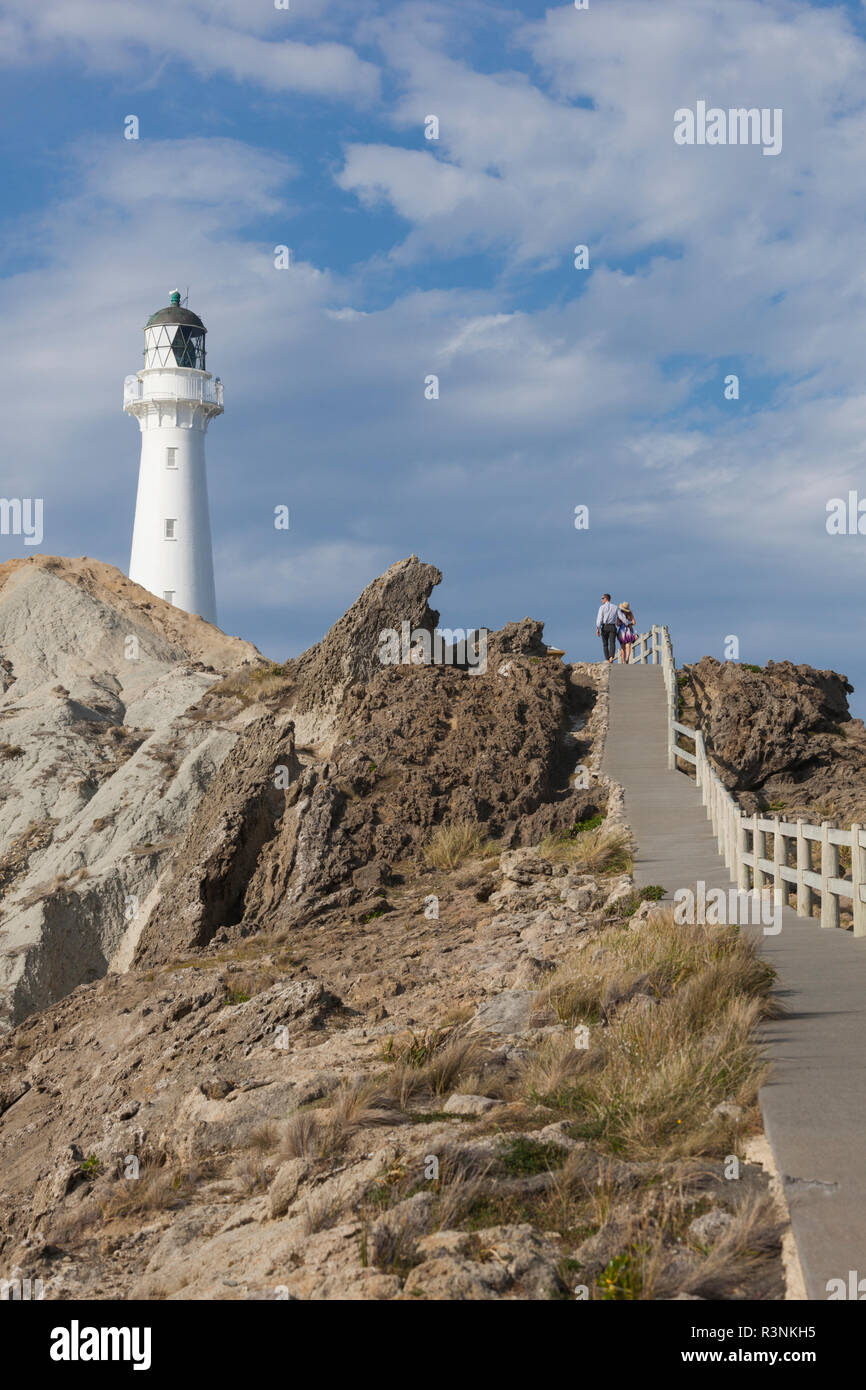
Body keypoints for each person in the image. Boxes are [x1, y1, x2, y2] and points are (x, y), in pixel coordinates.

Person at [595, 593, 620, 664]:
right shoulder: (615, 607)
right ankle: (611, 657)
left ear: (606, 599)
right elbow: (621, 616)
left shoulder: (602, 607)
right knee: (612, 642)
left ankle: (607, 658)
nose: (601, 600)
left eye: (602, 598)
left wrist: (597, 628)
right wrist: (627, 622)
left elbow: (599, 619)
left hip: (605, 627)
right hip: (612, 626)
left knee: (605, 644)